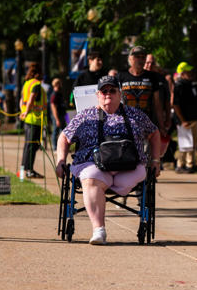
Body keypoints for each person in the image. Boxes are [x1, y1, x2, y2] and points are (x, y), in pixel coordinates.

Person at [55, 76, 162, 245]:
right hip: (93, 165)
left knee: (116, 179)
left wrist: (156, 160)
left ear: (120, 94)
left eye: (112, 90)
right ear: (98, 95)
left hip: (129, 167)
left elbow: (154, 133)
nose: (108, 94)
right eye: (104, 91)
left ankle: (104, 186)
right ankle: (99, 230)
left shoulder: (135, 115)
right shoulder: (85, 116)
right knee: (91, 178)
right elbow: (64, 137)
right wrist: (60, 160)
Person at [118, 47, 167, 132]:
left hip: (146, 125)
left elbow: (158, 104)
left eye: (143, 57)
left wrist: (161, 125)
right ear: (130, 58)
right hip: (126, 125)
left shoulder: (152, 77)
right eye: (137, 57)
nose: (140, 59)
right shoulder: (121, 76)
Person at [172, 61, 197, 173]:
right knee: (185, 143)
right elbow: (175, 104)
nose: (190, 73)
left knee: (192, 143)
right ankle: (182, 164)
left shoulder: (191, 85)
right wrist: (182, 120)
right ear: (182, 73)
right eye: (187, 72)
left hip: (193, 118)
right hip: (184, 120)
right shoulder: (179, 86)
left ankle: (190, 164)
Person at [49, 77, 68, 149]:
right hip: (57, 116)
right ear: (56, 84)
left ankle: (62, 147)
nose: (61, 85)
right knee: (55, 131)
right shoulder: (54, 94)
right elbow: (53, 107)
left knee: (63, 131)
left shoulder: (59, 93)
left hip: (62, 115)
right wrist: (56, 119)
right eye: (59, 83)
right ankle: (54, 147)